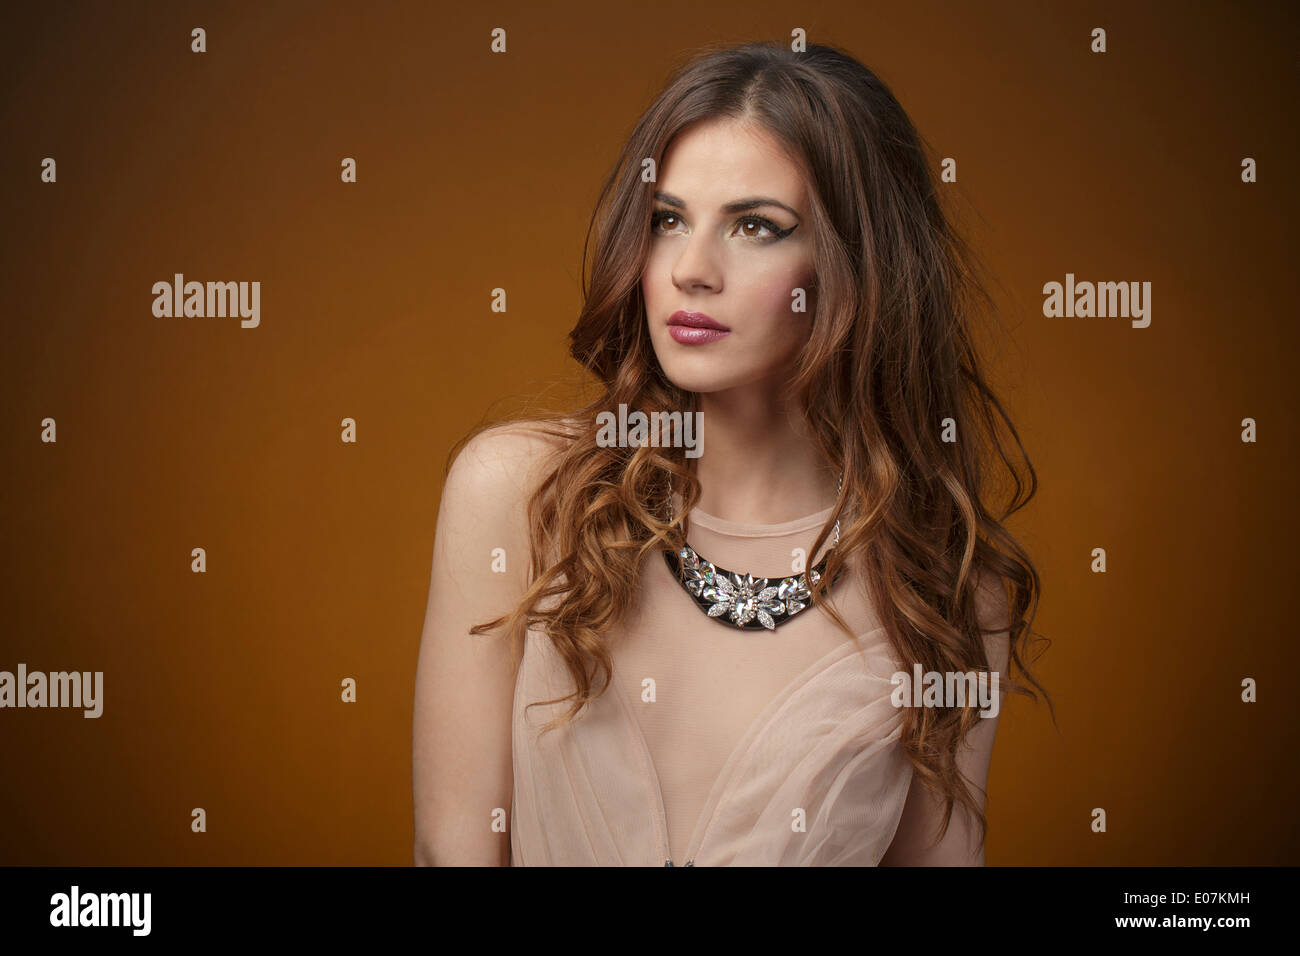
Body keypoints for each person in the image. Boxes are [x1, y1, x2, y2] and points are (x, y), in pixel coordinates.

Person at [413, 40, 1048, 866]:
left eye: (756, 226)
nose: (691, 270)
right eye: (667, 220)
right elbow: (449, 848)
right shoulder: (518, 493)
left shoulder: (947, 584)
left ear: (858, 266)